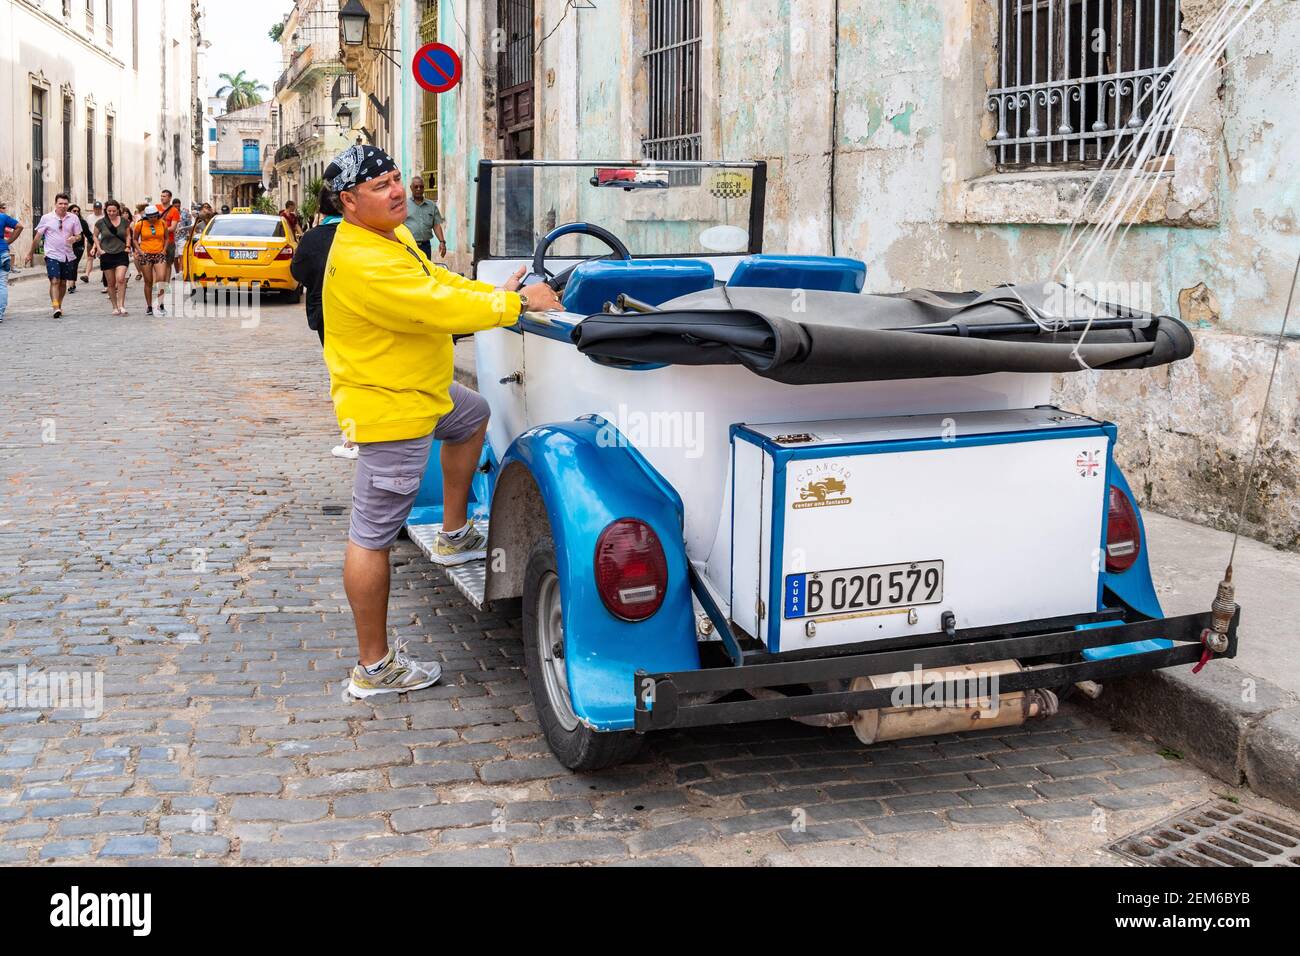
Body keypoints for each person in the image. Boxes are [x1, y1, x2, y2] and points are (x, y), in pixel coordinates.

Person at [319, 144, 559, 697]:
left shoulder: (390, 237)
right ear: (350, 202)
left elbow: (442, 283)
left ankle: (453, 533)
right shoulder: (363, 260)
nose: (396, 190)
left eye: (397, 178)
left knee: (472, 413)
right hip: (392, 408)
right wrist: (518, 306)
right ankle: (374, 667)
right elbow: (437, 306)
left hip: (421, 390)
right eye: (380, 187)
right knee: (371, 536)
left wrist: (499, 294)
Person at [291, 186, 354, 459]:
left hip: (326, 314)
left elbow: (298, 271)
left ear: (320, 210)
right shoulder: (361, 235)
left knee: (342, 375)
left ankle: (352, 438)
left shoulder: (314, 238)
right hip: (361, 312)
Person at [24, 192, 82, 318]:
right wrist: (30, 253)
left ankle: (59, 305)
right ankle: (55, 306)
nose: (63, 206)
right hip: (52, 254)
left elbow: (79, 235)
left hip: (67, 255)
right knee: (54, 280)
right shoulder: (46, 218)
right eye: (60, 203)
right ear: (55, 204)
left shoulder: (73, 218)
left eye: (65, 204)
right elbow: (38, 236)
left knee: (63, 282)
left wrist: (75, 238)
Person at [89, 199, 133, 316]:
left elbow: (128, 235)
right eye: (109, 211)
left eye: (114, 211)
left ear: (118, 210)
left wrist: (128, 246)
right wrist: (99, 249)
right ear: (106, 211)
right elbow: (95, 236)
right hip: (106, 254)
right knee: (111, 283)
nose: (112, 213)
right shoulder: (101, 222)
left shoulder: (124, 222)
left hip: (121, 253)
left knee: (121, 279)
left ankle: (121, 305)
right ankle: (114, 306)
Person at [131, 205, 171, 316]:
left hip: (159, 254)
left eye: (155, 216)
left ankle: (160, 304)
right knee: (148, 281)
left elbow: (167, 238)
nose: (153, 218)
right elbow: (134, 239)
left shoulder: (162, 223)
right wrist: (139, 251)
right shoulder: (141, 224)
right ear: (147, 216)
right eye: (150, 216)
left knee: (161, 278)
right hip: (146, 254)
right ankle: (149, 306)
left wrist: (164, 250)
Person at [403, 175, 446, 261]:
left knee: (425, 270)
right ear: (411, 188)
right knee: (411, 270)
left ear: (424, 188)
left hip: (425, 246)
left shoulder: (431, 205)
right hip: (409, 245)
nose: (418, 189)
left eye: (421, 187)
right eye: (416, 187)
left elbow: (436, 225)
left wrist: (442, 242)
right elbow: (398, 226)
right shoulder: (404, 205)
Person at [0, 201, 23, 324]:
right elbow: (20, 226)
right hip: (3, 252)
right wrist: (8, 242)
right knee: (2, 284)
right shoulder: (3, 217)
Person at [67, 204, 92, 295]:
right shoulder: (64, 221)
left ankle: (71, 285)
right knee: (70, 265)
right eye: (74, 211)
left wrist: (94, 246)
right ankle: (72, 283)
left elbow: (88, 234)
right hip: (67, 247)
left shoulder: (82, 222)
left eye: (78, 211)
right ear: (69, 211)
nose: (76, 213)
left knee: (73, 264)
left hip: (79, 247)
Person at [160, 192, 181, 284]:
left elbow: (172, 228)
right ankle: (158, 284)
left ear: (169, 198)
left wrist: (158, 231)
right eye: (161, 196)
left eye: (164, 196)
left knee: (168, 264)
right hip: (157, 241)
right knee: (158, 264)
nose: (162, 198)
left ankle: (166, 285)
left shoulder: (174, 211)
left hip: (169, 241)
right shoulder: (156, 208)